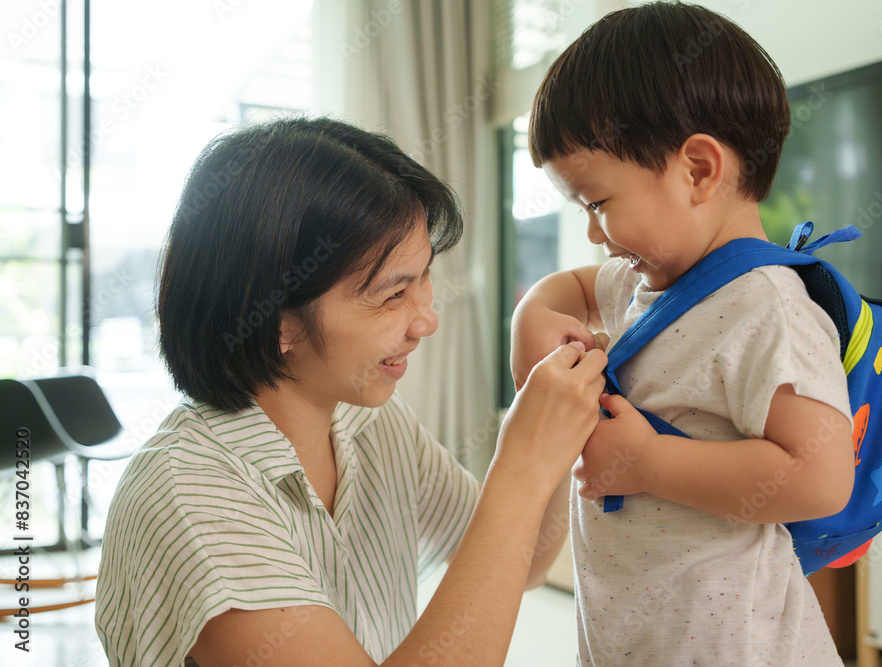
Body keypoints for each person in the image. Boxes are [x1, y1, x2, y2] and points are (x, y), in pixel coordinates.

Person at [95, 117, 607, 666]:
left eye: (424, 277)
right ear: (273, 322)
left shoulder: (369, 423)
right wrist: (522, 464)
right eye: (392, 295)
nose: (426, 321)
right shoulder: (190, 498)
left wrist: (550, 428)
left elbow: (524, 562)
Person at [510, 3, 856, 665]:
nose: (593, 233)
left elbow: (819, 476)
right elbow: (575, 288)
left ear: (698, 170)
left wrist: (645, 463)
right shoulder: (645, 282)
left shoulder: (766, 306)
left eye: (599, 204)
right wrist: (534, 317)